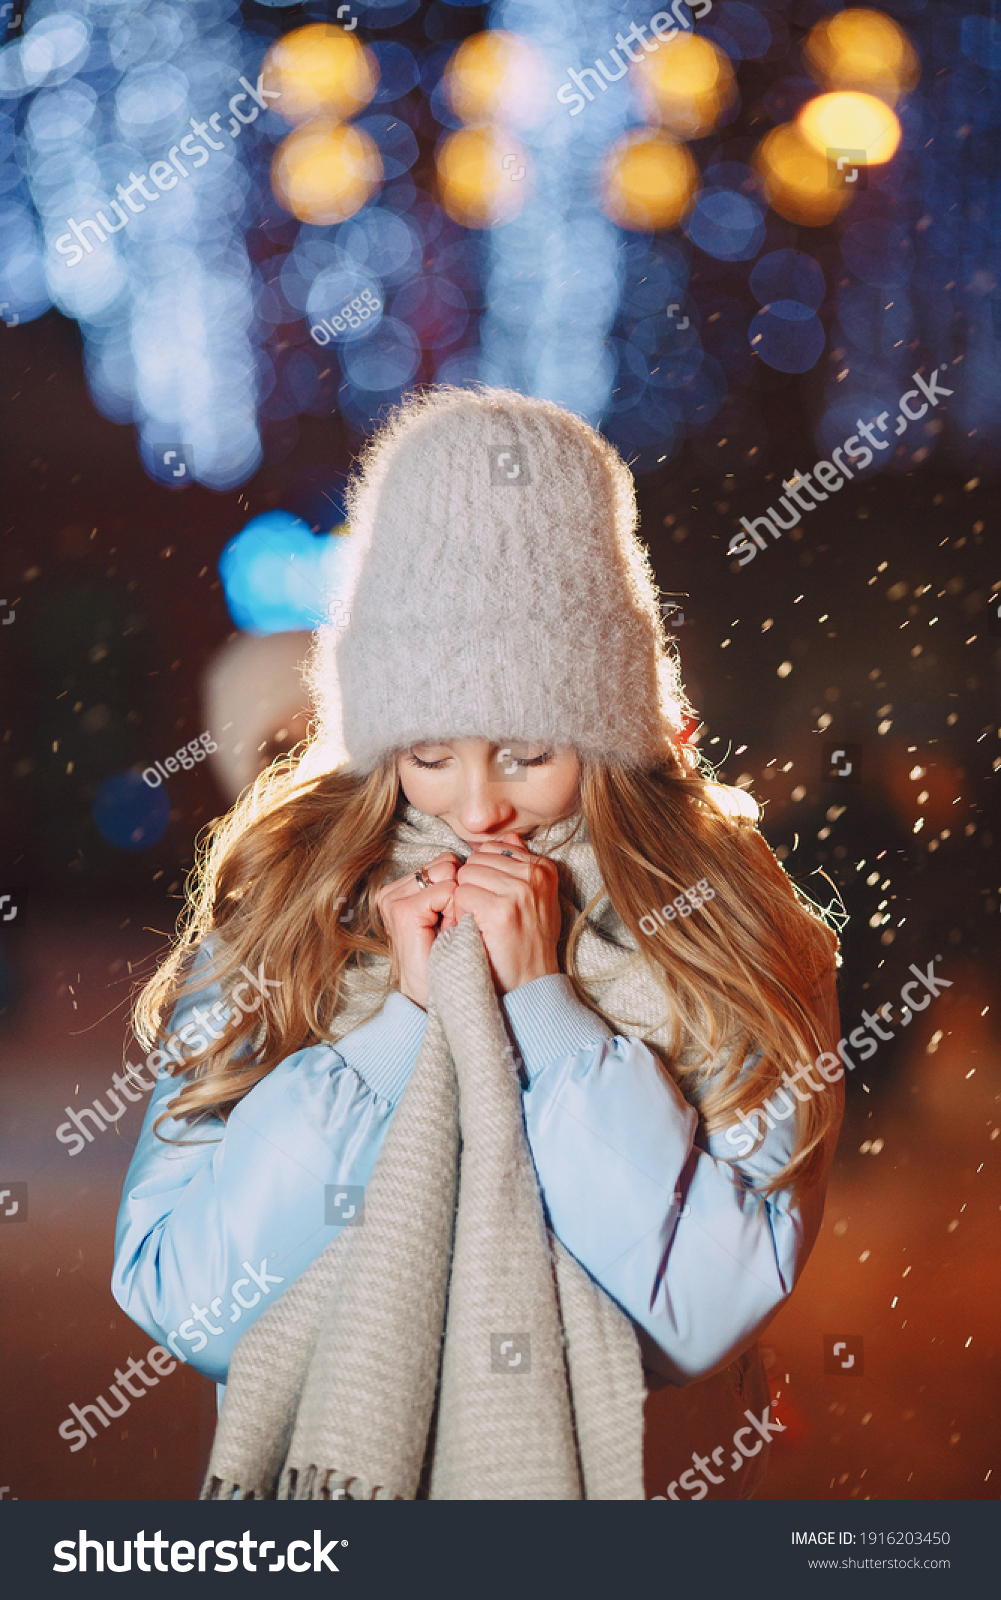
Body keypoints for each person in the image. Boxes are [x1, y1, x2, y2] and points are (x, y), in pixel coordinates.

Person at [112, 386, 843, 1500]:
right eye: (430, 755)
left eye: (528, 753)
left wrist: (548, 1013)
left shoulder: (721, 919)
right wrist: (394, 1037)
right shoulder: (292, 901)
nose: (478, 805)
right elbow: (187, 1297)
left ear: (609, 728)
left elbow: (701, 1308)